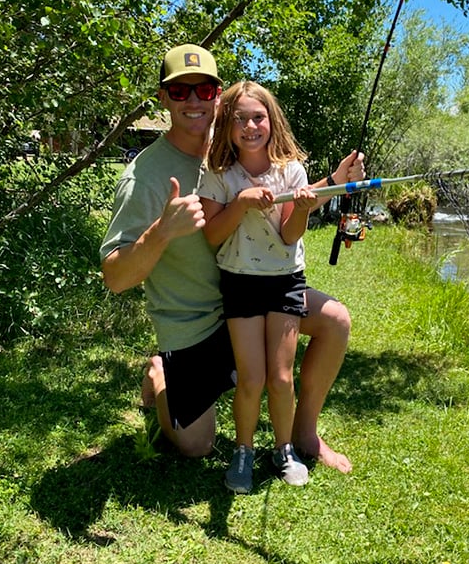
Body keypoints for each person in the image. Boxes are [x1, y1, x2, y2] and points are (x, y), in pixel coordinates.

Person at [100, 43, 363, 474]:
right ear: (163, 98)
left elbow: (283, 195)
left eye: (203, 90)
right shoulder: (143, 177)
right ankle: (160, 374)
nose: (193, 101)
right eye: (179, 91)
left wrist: (334, 180)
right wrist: (162, 230)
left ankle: (305, 435)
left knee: (335, 320)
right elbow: (114, 277)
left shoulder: (233, 147)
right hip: (195, 323)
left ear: (218, 96)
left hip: (254, 290)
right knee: (196, 445)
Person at [197, 81, 320, 493]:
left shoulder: (292, 171)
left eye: (258, 117)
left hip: (285, 281)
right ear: (227, 126)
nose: (250, 126)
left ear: (272, 121)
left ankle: (284, 449)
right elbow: (212, 235)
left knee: (281, 378)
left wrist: (301, 208)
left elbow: (290, 235)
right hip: (240, 282)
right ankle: (244, 450)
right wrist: (242, 203)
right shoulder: (218, 174)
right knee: (251, 379)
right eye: (240, 119)